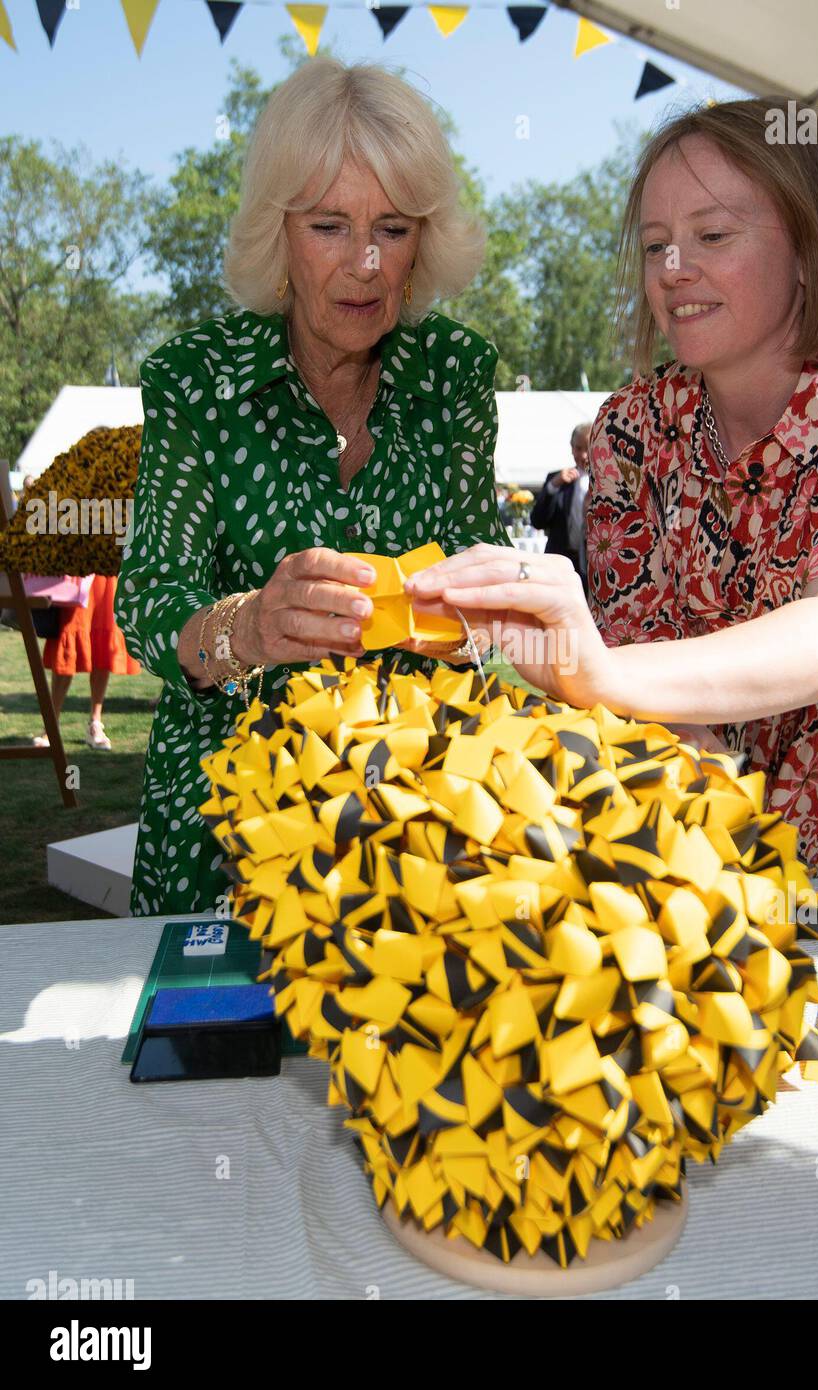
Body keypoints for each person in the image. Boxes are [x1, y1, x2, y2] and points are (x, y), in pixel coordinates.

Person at [404, 98, 818, 878]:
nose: (672, 270)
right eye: (656, 244)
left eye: (713, 235)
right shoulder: (630, 426)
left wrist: (594, 671)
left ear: (811, 246)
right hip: (676, 879)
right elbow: (638, 656)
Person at [114, 59, 510, 916]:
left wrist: (473, 617)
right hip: (227, 825)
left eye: (394, 229)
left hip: (417, 817)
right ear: (278, 233)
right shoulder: (196, 378)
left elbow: (492, 578)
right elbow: (148, 604)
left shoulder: (458, 374)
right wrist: (247, 624)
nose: (366, 263)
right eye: (332, 225)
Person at [31, 575, 141, 750]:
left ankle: (95, 723)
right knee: (67, 645)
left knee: (103, 647)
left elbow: (124, 546)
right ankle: (51, 727)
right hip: (77, 574)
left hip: (106, 576)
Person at [529, 423, 593, 588]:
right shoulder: (557, 479)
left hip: (593, 566)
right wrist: (553, 486)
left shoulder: (606, 481)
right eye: (579, 448)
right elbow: (537, 521)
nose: (584, 455)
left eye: (588, 448)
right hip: (560, 564)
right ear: (571, 448)